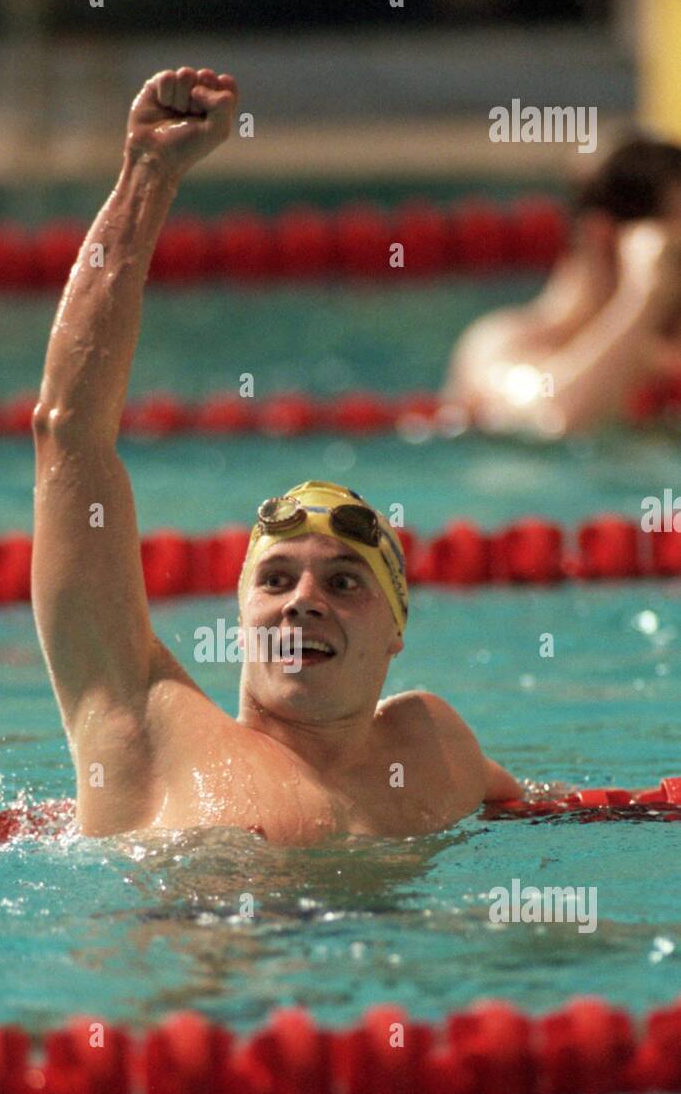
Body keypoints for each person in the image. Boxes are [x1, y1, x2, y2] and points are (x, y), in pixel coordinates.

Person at [32, 67, 520, 846]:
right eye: (275, 578)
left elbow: (564, 815)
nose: (302, 600)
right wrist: (147, 174)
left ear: (397, 631)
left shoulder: (435, 750)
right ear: (241, 610)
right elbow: (69, 434)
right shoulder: (147, 730)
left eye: (344, 581)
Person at [445, 136, 681, 435]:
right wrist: (644, 298)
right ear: (605, 238)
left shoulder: (661, 355)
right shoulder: (497, 345)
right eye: (676, 253)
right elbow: (549, 418)